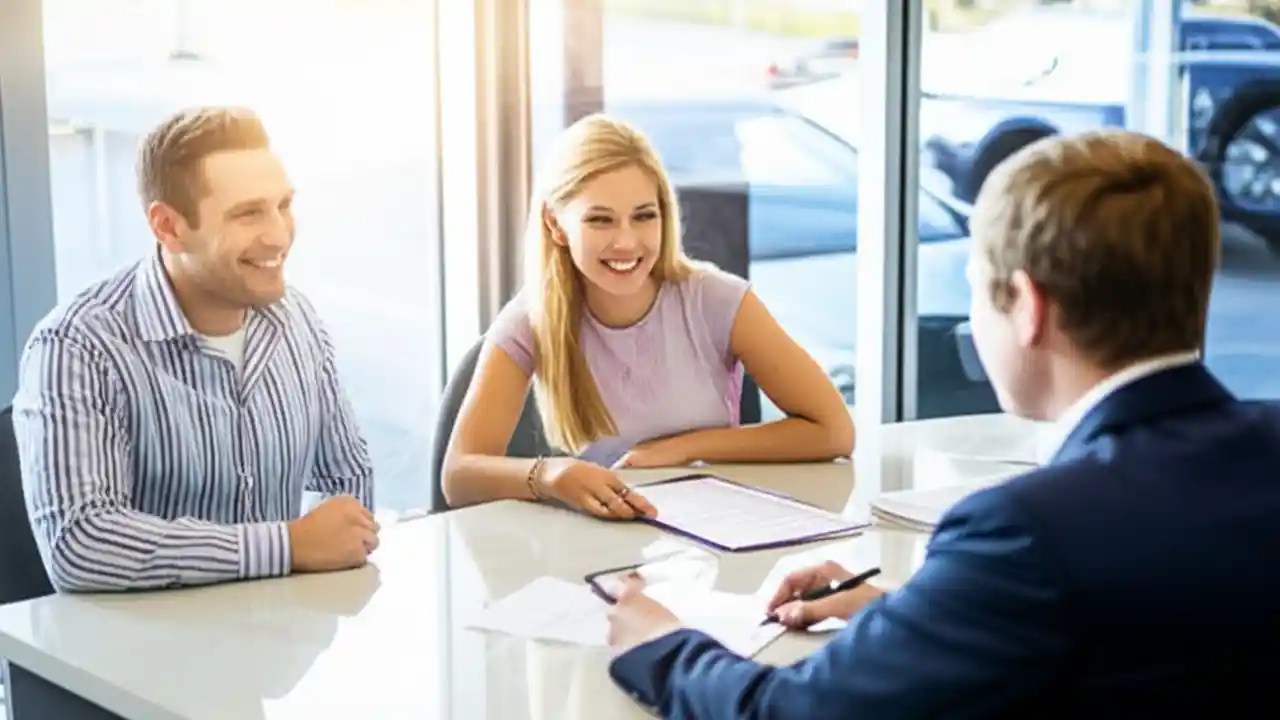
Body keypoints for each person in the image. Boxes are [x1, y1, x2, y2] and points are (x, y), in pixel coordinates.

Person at [603, 129, 1280, 716]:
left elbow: (787, 713)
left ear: (1027, 307)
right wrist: (913, 612)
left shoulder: (1029, 533)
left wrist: (658, 643)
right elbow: (1156, 615)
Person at [12, 107, 378, 593]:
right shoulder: (77, 346)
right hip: (139, 658)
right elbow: (80, 545)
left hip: (282, 641)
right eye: (248, 213)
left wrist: (329, 542)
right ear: (168, 227)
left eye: (283, 205)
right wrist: (286, 546)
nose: (279, 235)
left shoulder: (297, 320)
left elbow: (349, 481)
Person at [442, 114, 854, 518]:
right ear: (556, 224)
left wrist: (683, 447)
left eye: (644, 216)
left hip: (713, 537)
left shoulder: (716, 299)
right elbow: (458, 474)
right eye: (600, 220)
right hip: (607, 545)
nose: (626, 242)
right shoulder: (533, 316)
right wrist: (548, 475)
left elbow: (833, 430)